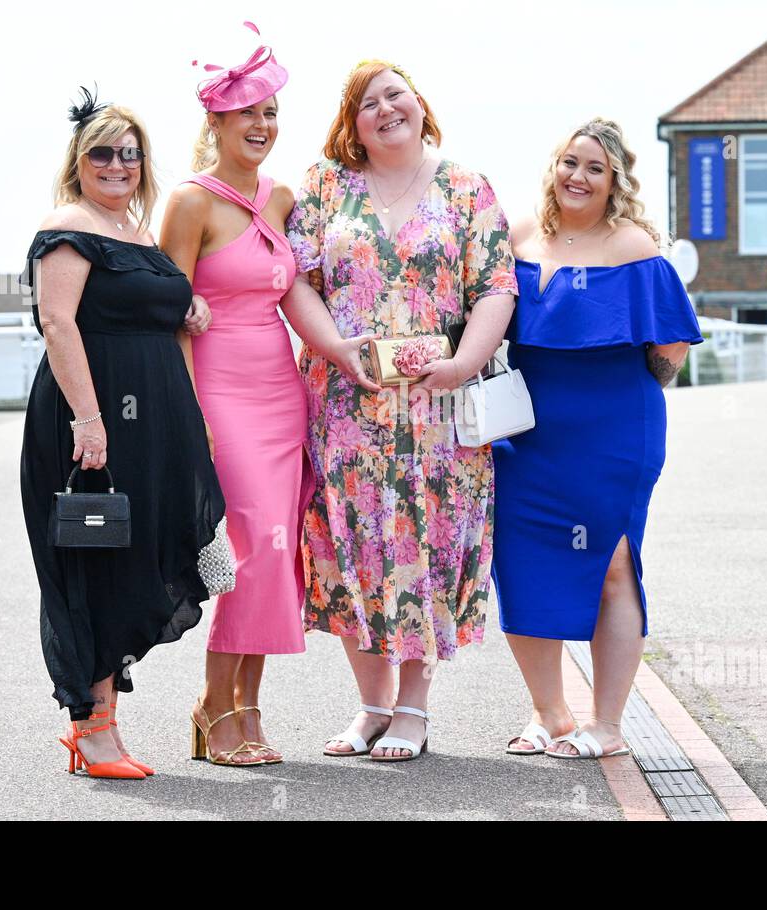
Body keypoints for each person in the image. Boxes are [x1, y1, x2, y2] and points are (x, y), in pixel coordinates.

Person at [283, 60, 517, 761]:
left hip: (438, 409)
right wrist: (333, 346)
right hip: (347, 406)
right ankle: (372, 704)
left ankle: (413, 706)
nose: (385, 110)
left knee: (425, 547)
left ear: (420, 102)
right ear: (352, 123)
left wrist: (463, 364)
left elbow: (496, 288)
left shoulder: (468, 188)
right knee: (351, 546)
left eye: (396, 95)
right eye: (368, 103)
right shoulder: (326, 185)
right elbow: (293, 278)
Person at [20, 89, 223, 779]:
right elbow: (58, 323)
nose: (116, 164)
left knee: (136, 557)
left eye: (129, 154)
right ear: (79, 160)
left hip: (152, 421)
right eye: (102, 152)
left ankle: (102, 719)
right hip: (91, 423)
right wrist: (90, 419)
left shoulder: (138, 230)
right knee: (94, 562)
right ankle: (93, 729)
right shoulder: (68, 224)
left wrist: (186, 306)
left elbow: (151, 301)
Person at [491, 118, 703, 759]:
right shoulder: (517, 237)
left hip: (613, 434)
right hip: (525, 435)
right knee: (522, 565)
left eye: (594, 169)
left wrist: (625, 402)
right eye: (570, 163)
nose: (578, 177)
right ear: (553, 168)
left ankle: (608, 725)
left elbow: (668, 347)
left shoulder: (636, 248)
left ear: (615, 183)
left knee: (612, 566)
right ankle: (550, 714)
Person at [160, 25, 312, 767]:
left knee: (278, 556)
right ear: (215, 121)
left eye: (272, 111)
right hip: (218, 394)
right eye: (248, 111)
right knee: (246, 554)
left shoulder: (281, 196)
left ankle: (247, 709)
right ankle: (214, 708)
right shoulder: (190, 203)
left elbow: (298, 295)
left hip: (283, 395)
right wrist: (189, 415)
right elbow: (169, 314)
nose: (262, 125)